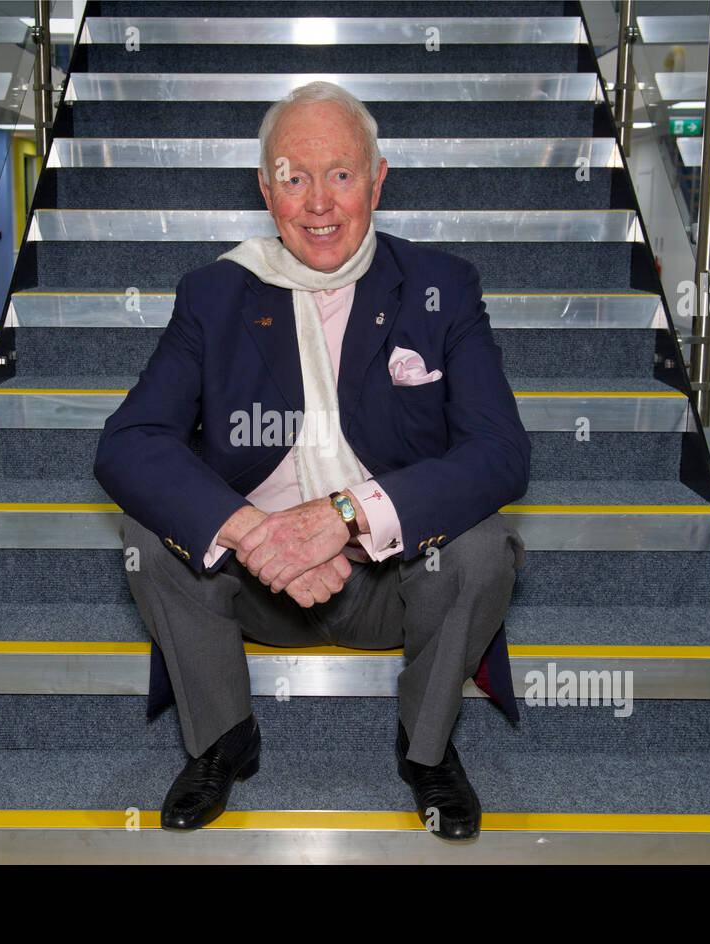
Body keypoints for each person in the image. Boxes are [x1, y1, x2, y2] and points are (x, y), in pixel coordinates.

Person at [93, 81, 530, 840]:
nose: (319, 202)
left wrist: (344, 516)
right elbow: (129, 442)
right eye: (294, 177)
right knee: (148, 532)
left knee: (485, 546)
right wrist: (250, 530)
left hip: (393, 576)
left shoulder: (440, 287)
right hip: (254, 580)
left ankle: (425, 749)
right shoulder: (214, 293)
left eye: (340, 174)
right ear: (267, 190)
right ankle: (222, 738)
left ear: (378, 178)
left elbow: (500, 453)